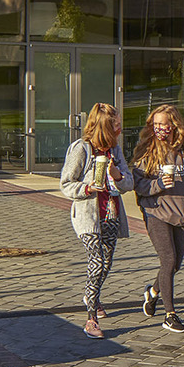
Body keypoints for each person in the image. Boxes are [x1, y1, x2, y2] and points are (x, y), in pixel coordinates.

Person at [131, 104, 184, 334]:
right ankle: (170, 315)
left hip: (180, 213)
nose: (158, 129)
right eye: (155, 125)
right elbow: (138, 184)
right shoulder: (146, 149)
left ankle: (152, 293)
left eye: (162, 124)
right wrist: (157, 185)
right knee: (168, 259)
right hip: (155, 211)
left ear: (173, 125)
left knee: (175, 265)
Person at [58, 102, 132, 339]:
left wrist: (118, 176)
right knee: (97, 261)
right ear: (103, 127)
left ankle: (93, 295)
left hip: (110, 213)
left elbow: (128, 182)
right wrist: (88, 187)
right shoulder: (82, 148)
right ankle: (91, 318)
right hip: (88, 217)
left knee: (106, 263)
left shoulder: (115, 150)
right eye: (115, 126)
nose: (119, 131)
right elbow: (66, 183)